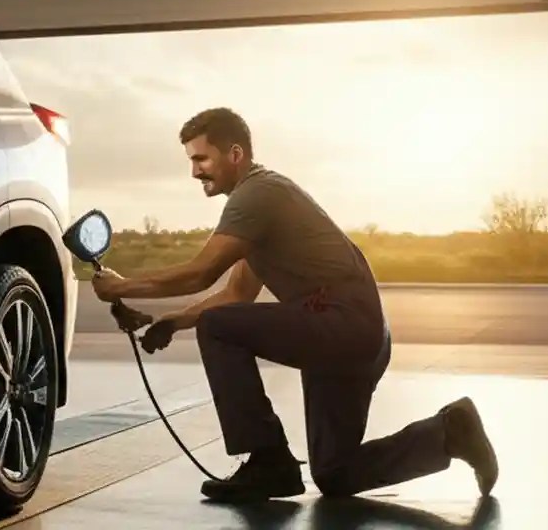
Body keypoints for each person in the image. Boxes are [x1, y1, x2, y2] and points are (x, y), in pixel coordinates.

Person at [91, 107, 499, 503]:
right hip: (355, 334)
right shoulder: (261, 200)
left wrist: (122, 286)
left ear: (236, 154)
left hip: (343, 324)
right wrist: (174, 321)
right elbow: (236, 294)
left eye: (201, 158)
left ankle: (267, 460)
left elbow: (201, 274)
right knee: (335, 473)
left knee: (216, 326)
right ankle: (450, 432)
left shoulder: (256, 195)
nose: (194, 171)